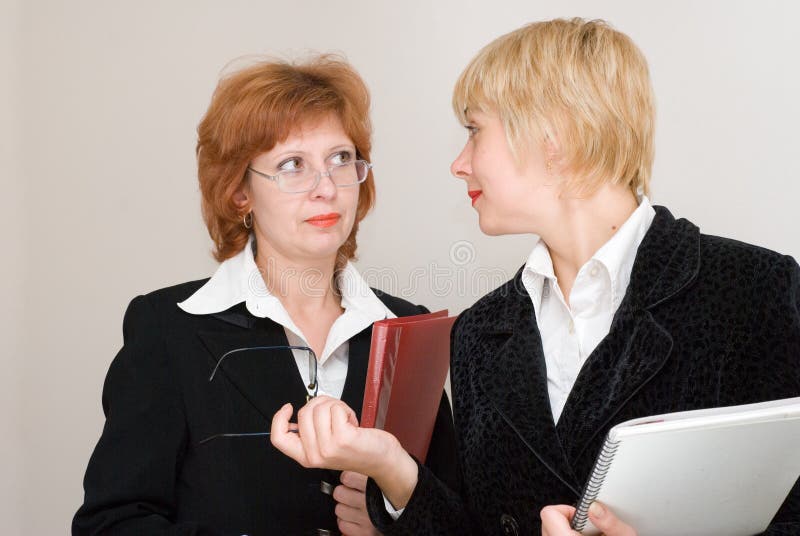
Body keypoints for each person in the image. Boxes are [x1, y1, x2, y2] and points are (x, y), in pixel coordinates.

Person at [270, 18, 800, 535]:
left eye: (475, 130)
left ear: (555, 136)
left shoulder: (758, 291)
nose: (459, 163)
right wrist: (392, 466)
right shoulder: (479, 333)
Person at [73, 55, 456, 536]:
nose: (326, 188)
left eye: (341, 159)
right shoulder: (168, 327)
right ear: (240, 193)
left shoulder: (407, 328)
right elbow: (110, 524)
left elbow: (458, 516)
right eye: (292, 165)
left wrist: (394, 520)